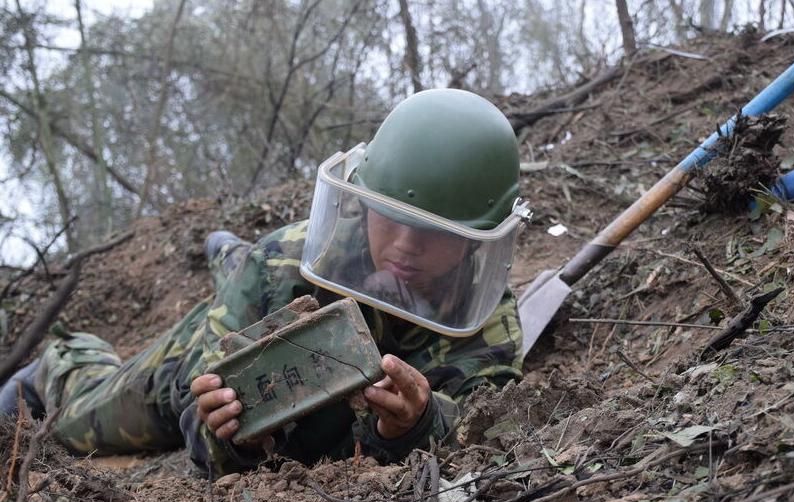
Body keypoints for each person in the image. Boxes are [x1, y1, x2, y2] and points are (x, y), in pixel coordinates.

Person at [0, 89, 528, 477]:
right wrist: (226, 430)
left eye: (433, 233)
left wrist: (419, 422)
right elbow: (201, 436)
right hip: (187, 364)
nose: (405, 248)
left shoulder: (484, 319)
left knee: (252, 269)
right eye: (389, 217)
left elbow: (484, 427)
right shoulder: (286, 261)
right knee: (80, 424)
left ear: (476, 241)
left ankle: (226, 252)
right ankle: (63, 362)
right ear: (360, 198)